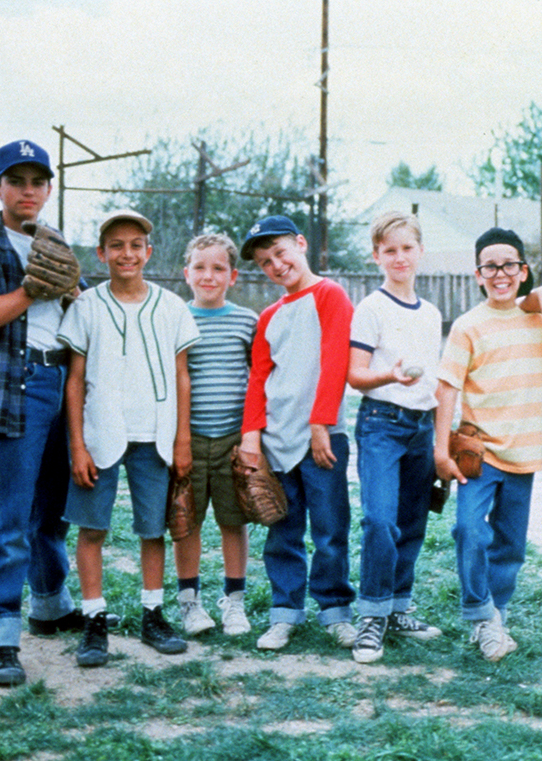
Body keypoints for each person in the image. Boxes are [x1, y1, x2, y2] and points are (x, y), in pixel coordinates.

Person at [0, 139, 81, 685]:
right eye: (16, 181)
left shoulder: (55, 241)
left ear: (48, 189)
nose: (28, 191)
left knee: (51, 508)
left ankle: (50, 604)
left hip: (60, 377)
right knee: (7, 516)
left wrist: (72, 291)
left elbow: (75, 307)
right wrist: (32, 288)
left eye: (37, 182)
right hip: (16, 380)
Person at [58, 210, 200, 667]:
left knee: (152, 528)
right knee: (93, 527)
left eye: (136, 244)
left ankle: (153, 612)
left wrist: (182, 439)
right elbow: (75, 380)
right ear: (100, 254)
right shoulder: (87, 306)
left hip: (155, 432)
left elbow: (182, 377)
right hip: (102, 432)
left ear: (148, 252)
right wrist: (77, 445)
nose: (127, 253)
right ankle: (94, 618)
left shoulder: (171, 305)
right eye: (116, 245)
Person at [435, 227, 542, 661]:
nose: (500, 273)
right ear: (478, 274)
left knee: (510, 543)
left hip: (523, 453)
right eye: (491, 266)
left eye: (509, 264)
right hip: (479, 453)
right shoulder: (468, 326)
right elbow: (447, 388)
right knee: (469, 530)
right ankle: (480, 614)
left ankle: (496, 616)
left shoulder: (541, 322)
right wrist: (440, 449)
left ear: (523, 271)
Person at [238, 215, 357, 651]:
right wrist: (252, 436)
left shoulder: (329, 295)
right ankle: (285, 611)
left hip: (322, 437)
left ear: (301, 245)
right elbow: (259, 379)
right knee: (282, 530)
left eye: (281, 252)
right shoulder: (269, 315)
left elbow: (334, 362)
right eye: (265, 261)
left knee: (329, 529)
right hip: (277, 439)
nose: (276, 264)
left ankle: (335, 610)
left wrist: (320, 423)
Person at [346, 211, 444, 664]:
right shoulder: (371, 308)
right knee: (380, 520)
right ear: (376, 256)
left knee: (412, 522)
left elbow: (438, 382)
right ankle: (370, 615)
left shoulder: (432, 313)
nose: (399, 257)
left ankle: (398, 607)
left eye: (407, 248)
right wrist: (391, 374)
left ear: (421, 252)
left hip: (422, 426)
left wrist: (444, 433)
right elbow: (355, 375)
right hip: (382, 422)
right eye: (390, 250)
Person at [173, 234, 258, 637]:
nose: (209, 276)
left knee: (233, 520)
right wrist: (178, 438)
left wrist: (249, 436)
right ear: (186, 273)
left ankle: (235, 602)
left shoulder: (246, 321)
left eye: (219, 268)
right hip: (186, 438)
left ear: (233, 276)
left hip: (233, 440)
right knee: (186, 521)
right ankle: (189, 603)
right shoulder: (174, 318)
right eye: (200, 267)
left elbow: (257, 380)